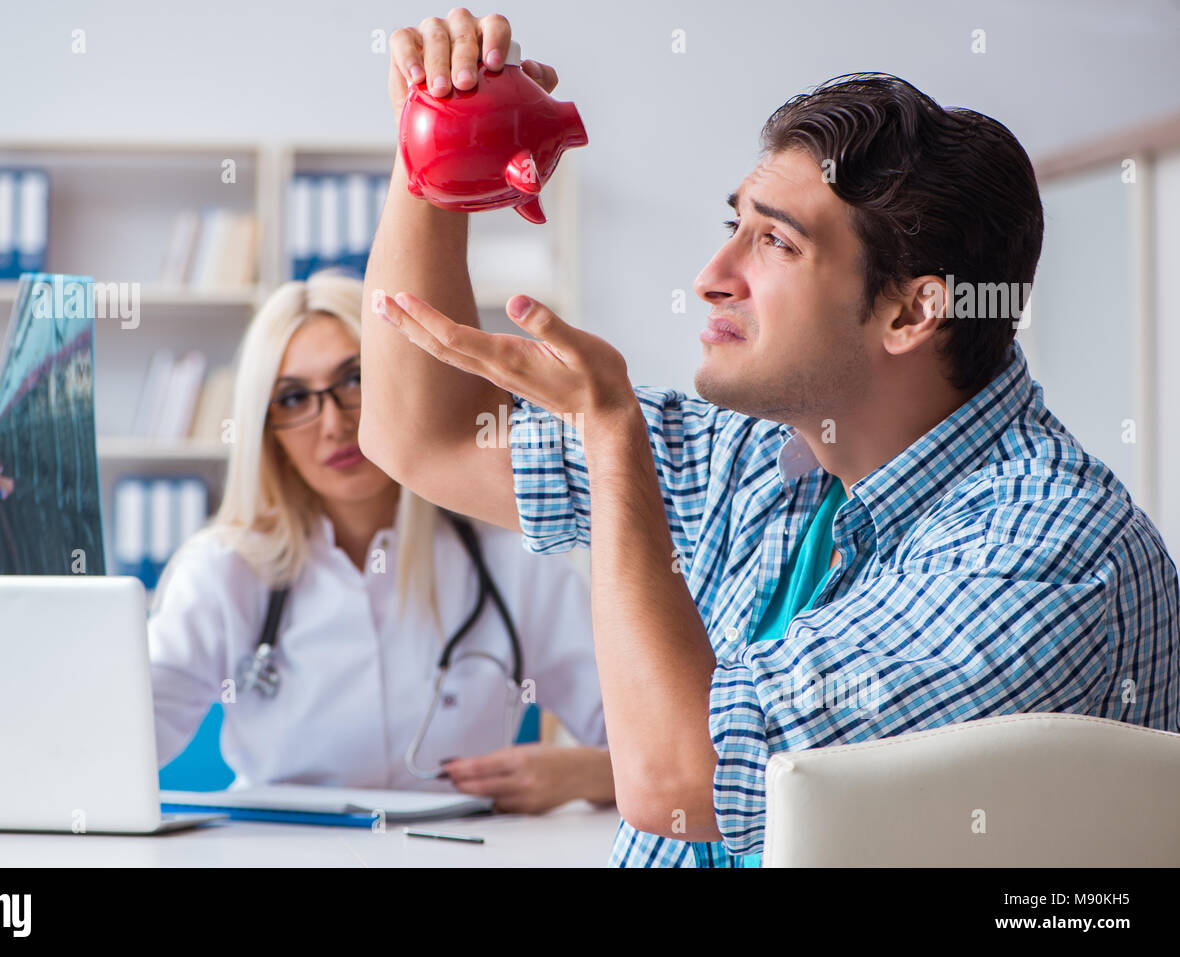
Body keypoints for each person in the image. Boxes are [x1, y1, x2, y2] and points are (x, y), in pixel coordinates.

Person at [358, 10, 1180, 865]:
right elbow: (424, 435)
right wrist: (434, 147)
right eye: (734, 227)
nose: (712, 279)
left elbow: (681, 782)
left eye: (775, 242)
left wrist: (613, 446)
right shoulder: (756, 454)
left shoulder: (1046, 553)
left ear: (911, 310)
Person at [0, 269, 614, 814]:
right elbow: (93, 748)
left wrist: (587, 773)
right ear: (264, 428)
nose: (333, 422)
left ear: (403, 382)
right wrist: (14, 566)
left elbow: (670, 760)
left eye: (355, 378)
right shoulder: (222, 571)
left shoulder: (517, 557)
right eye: (293, 398)